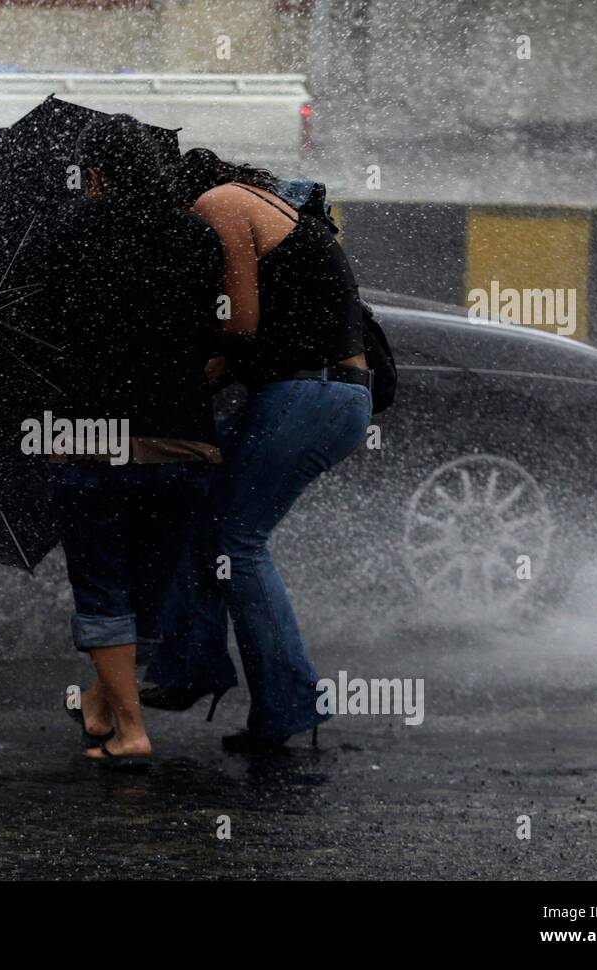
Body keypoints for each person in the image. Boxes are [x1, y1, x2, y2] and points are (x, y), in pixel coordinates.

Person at [142, 148, 373, 753]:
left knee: (236, 543)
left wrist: (188, 362)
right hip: (321, 393)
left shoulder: (217, 204)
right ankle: (192, 670)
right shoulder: (271, 203)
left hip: (311, 394)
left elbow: (240, 323)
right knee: (205, 527)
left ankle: (289, 702)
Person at [43, 117, 224, 767]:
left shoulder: (70, 228)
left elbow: (50, 319)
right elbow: (211, 334)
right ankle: (100, 703)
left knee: (101, 587)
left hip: (93, 436)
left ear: (95, 175)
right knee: (149, 587)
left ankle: (132, 728)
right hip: (183, 443)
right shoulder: (199, 236)